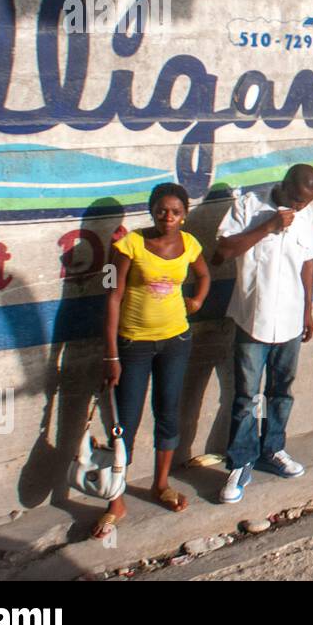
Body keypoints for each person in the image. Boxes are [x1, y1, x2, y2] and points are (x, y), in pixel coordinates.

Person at [94, 183, 211, 539]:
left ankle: (161, 484)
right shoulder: (127, 245)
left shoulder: (190, 244)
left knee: (168, 410)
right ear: (151, 210)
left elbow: (205, 274)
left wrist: (198, 300)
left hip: (176, 340)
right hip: (134, 345)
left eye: (175, 212)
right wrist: (111, 353)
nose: (168, 217)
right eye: (161, 210)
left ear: (185, 214)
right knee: (124, 420)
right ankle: (116, 499)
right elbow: (112, 297)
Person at [214, 164, 313, 503]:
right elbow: (222, 252)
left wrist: (307, 309)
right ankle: (240, 461)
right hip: (253, 319)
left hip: (290, 319)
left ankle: (273, 449)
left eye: (305, 203)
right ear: (283, 185)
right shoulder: (248, 206)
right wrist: (270, 226)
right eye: (295, 199)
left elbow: (308, 262)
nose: (299, 207)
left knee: (282, 390)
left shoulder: (305, 215)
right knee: (247, 396)